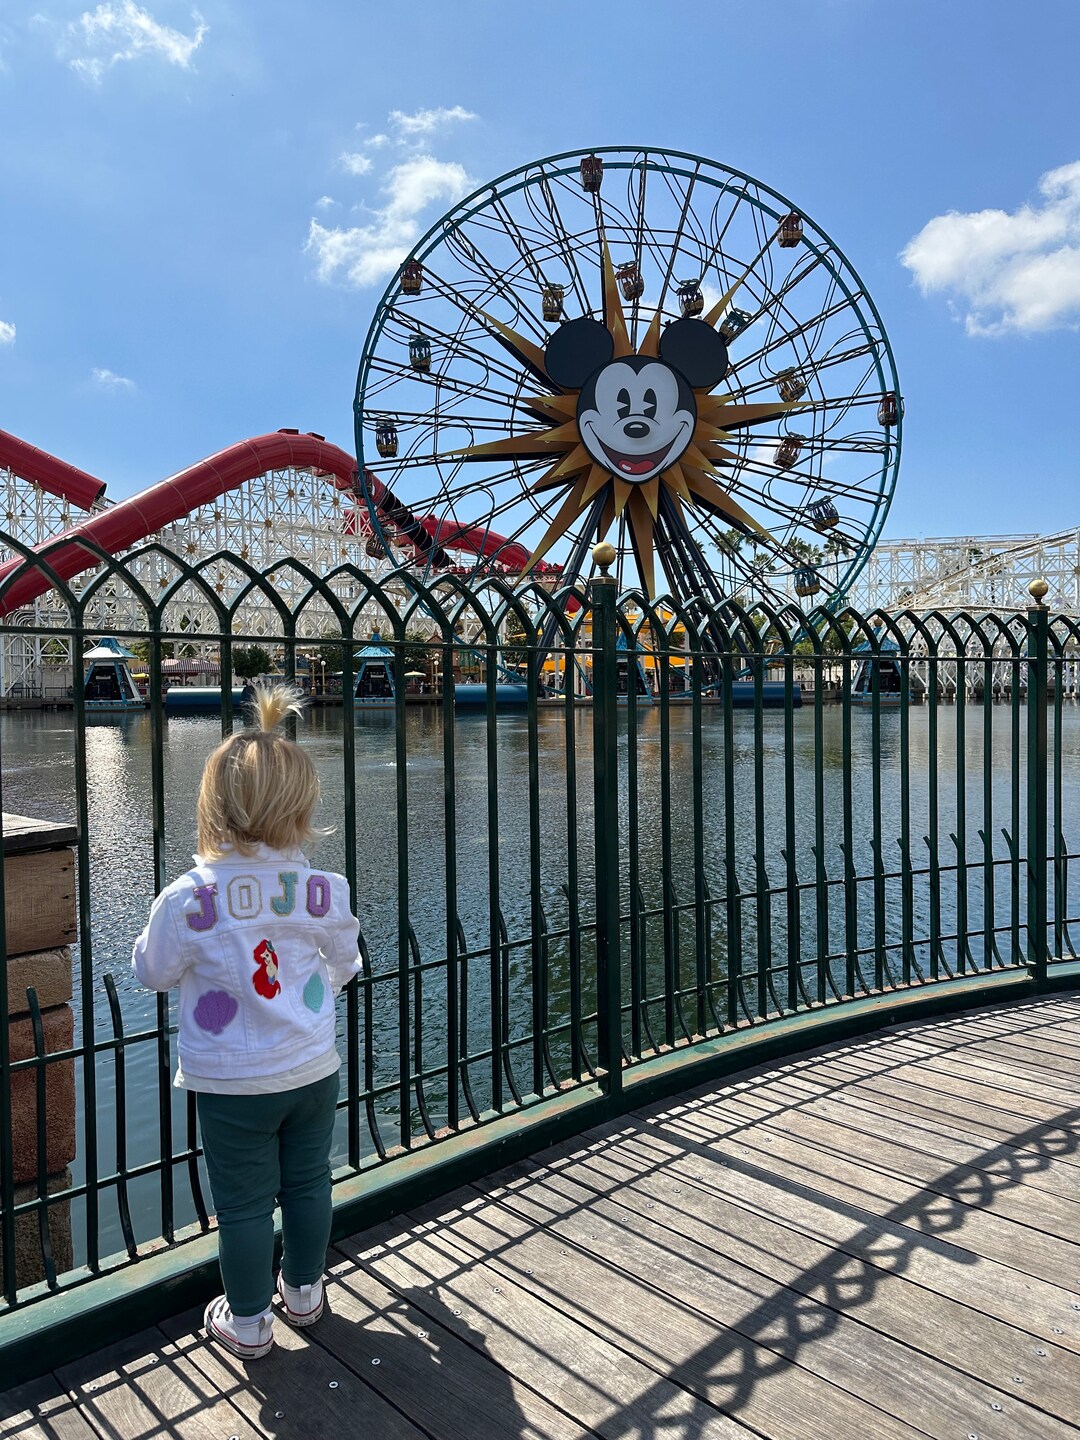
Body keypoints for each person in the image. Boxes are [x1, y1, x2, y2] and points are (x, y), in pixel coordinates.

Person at [132, 682, 362, 1359]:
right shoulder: (323, 887)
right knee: (310, 1181)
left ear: (214, 805)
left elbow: (152, 971)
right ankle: (305, 1292)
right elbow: (346, 958)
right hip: (311, 1064)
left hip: (231, 1079)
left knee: (242, 1206)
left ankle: (252, 1323)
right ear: (301, 805)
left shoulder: (188, 897)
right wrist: (311, 992)